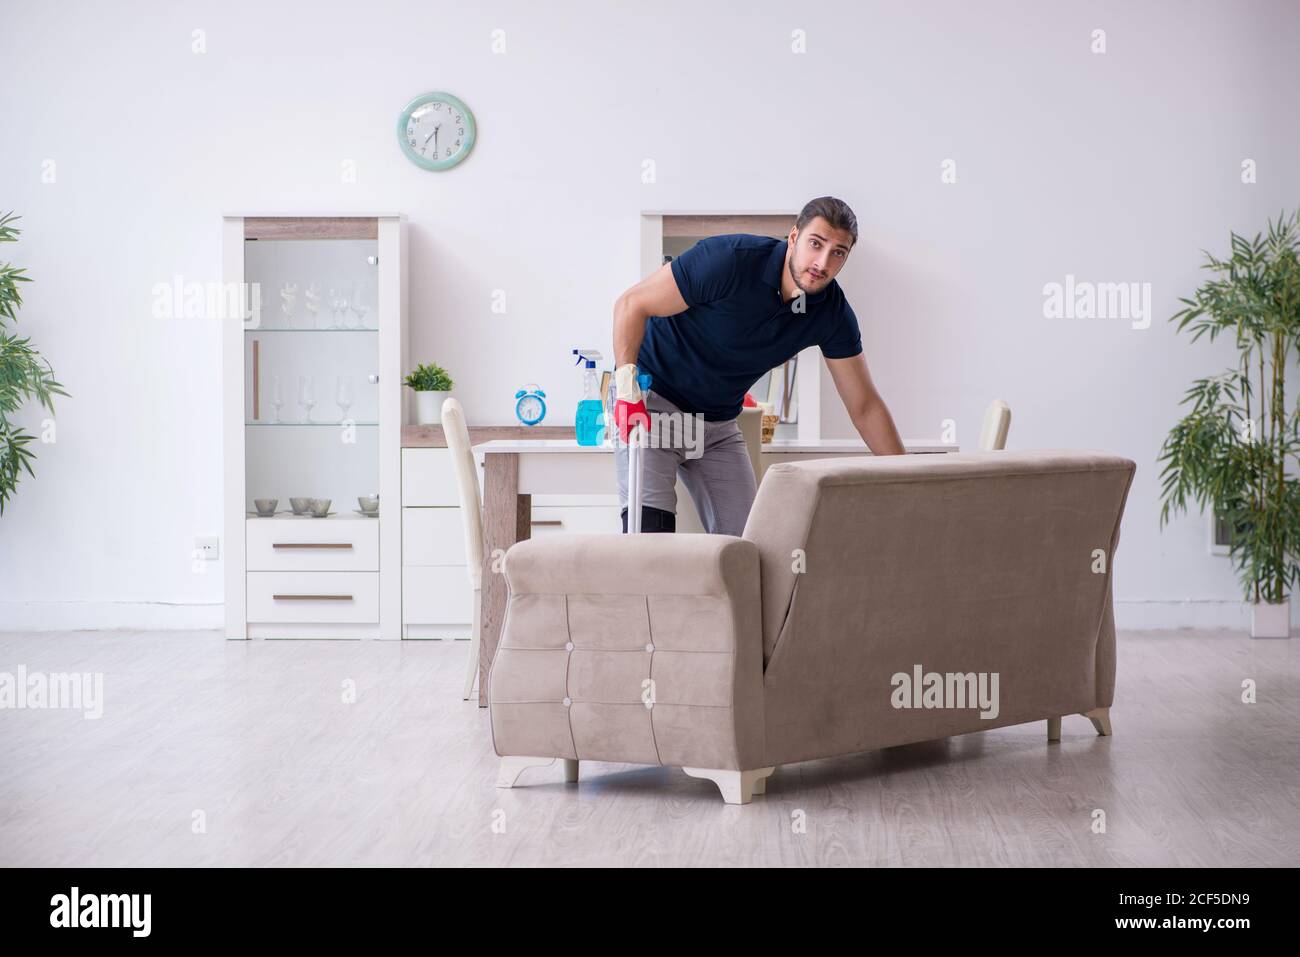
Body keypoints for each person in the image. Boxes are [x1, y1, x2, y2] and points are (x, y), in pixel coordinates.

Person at [611, 195, 905, 535]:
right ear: (793, 237)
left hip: (717, 426)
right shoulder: (729, 261)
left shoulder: (831, 312)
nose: (822, 263)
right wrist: (627, 392)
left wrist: (913, 479)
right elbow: (631, 304)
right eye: (815, 244)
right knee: (649, 539)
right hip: (652, 406)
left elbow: (865, 407)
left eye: (838, 252)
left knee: (750, 548)